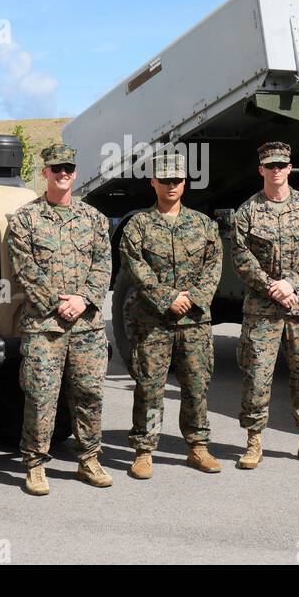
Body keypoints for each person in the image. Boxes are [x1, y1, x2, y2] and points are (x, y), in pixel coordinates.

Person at [5, 144, 113, 496]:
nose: (62, 174)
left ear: (75, 172)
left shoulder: (94, 219)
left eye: (68, 168)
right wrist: (58, 304)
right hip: (44, 326)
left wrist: (82, 300)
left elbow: (103, 265)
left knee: (89, 393)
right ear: (45, 173)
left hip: (87, 325)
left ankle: (89, 460)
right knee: (40, 396)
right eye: (56, 169)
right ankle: (35, 465)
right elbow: (25, 270)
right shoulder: (25, 219)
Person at [119, 149, 223, 479]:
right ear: (153, 183)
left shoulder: (203, 224)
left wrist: (191, 299)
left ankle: (198, 447)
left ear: (185, 183)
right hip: (152, 321)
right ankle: (145, 450)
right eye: (164, 180)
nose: (171, 186)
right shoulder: (138, 225)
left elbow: (214, 266)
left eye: (177, 180)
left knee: (196, 385)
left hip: (194, 320)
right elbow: (135, 268)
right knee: (150, 387)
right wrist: (168, 298)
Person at [231, 141, 299, 470]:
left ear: (290, 169)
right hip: (262, 311)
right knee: (257, 376)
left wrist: (292, 284)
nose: (276, 170)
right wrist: (272, 288)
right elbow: (241, 260)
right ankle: (253, 443)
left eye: (281, 165)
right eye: (270, 165)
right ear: (261, 169)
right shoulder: (247, 211)